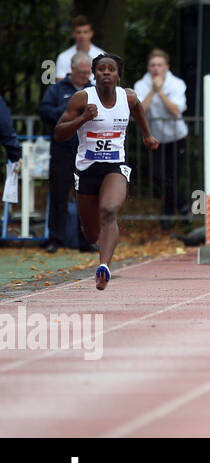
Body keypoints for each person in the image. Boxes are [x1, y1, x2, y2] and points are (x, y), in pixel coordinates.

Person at [53, 54, 158, 290]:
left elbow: (138, 107)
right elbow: (59, 133)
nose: (107, 73)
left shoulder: (127, 96)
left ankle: (104, 268)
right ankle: (101, 244)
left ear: (118, 75)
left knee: (109, 211)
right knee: (91, 234)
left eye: (111, 69)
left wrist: (147, 135)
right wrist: (83, 118)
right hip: (87, 169)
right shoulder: (82, 98)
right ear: (94, 74)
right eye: (101, 69)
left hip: (115, 166)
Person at [38, 52, 93, 252]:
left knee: (86, 195)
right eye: (82, 72)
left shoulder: (93, 90)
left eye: (88, 72)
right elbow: (44, 112)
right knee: (58, 193)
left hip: (86, 151)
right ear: (72, 70)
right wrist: (68, 107)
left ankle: (86, 240)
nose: (85, 76)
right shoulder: (57, 89)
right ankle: (55, 238)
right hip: (62, 149)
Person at [133, 49, 188, 230]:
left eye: (159, 65)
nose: (156, 69)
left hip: (176, 137)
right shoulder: (141, 84)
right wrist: (152, 91)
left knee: (172, 177)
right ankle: (182, 205)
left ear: (166, 67)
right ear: (148, 68)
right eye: (152, 65)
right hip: (154, 138)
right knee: (158, 176)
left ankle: (167, 217)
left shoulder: (176, 84)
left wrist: (161, 92)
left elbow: (176, 110)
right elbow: (140, 110)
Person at [55, 16, 106, 80]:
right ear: (73, 34)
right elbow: (60, 83)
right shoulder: (63, 57)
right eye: (79, 32)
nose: (82, 36)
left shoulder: (102, 56)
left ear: (91, 33)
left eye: (85, 32)